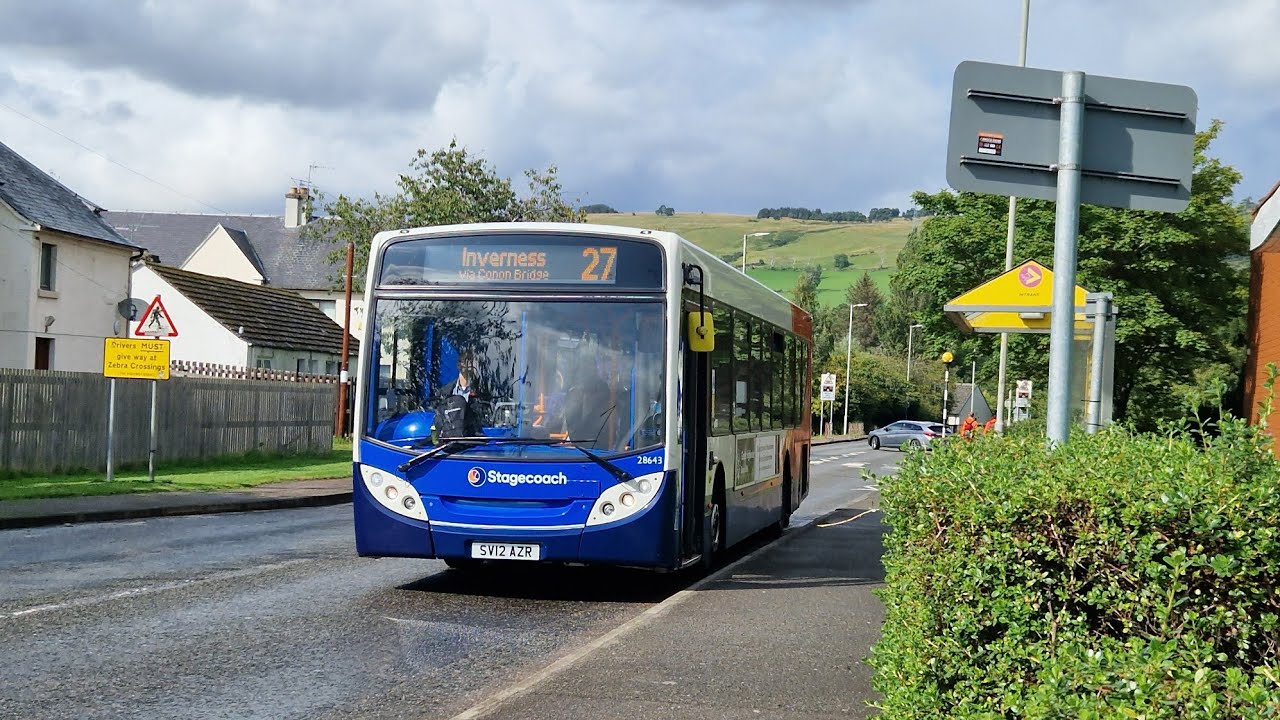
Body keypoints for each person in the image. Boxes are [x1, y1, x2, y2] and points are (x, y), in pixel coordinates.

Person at [434, 349, 484, 439]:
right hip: (450, 442)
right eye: (464, 360)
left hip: (474, 441)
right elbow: (437, 419)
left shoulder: (482, 392)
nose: (467, 363)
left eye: (470, 360)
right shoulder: (444, 392)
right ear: (458, 365)